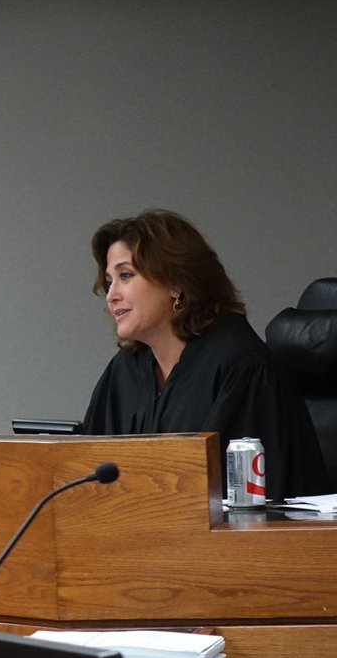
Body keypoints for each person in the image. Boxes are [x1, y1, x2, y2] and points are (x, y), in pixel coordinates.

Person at [82, 209, 328, 501]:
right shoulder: (125, 370)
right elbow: (87, 473)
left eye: (125, 275)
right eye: (109, 281)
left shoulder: (243, 366)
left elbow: (250, 505)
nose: (111, 295)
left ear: (175, 281)